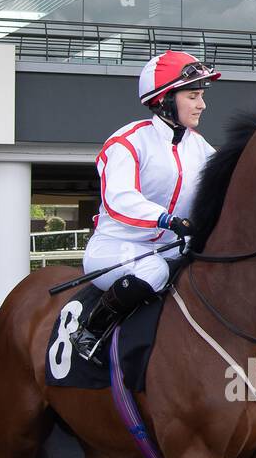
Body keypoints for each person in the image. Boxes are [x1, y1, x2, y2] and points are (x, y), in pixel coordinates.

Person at [72, 50, 220, 364]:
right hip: (117, 248)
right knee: (154, 271)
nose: (202, 104)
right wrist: (168, 220)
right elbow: (120, 198)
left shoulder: (201, 148)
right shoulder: (127, 141)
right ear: (165, 99)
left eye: (201, 96)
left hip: (171, 247)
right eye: (193, 95)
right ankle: (90, 331)